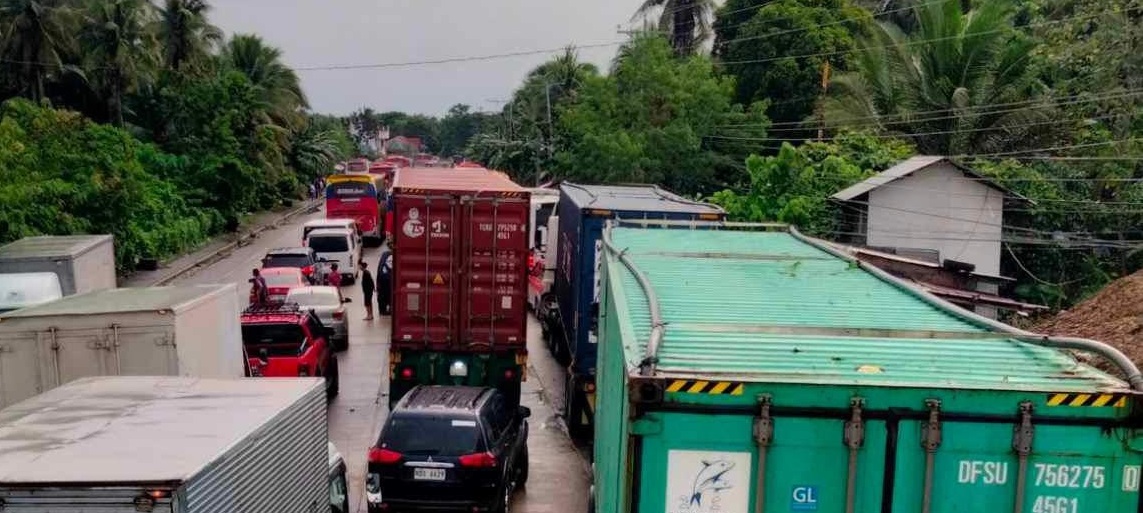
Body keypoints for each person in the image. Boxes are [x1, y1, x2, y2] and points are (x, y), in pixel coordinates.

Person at [377, 243, 393, 315]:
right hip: (386, 281)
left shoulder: (385, 255)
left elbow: (380, 268)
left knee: (383, 296)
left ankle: (383, 310)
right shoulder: (386, 254)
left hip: (384, 280)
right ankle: (385, 309)